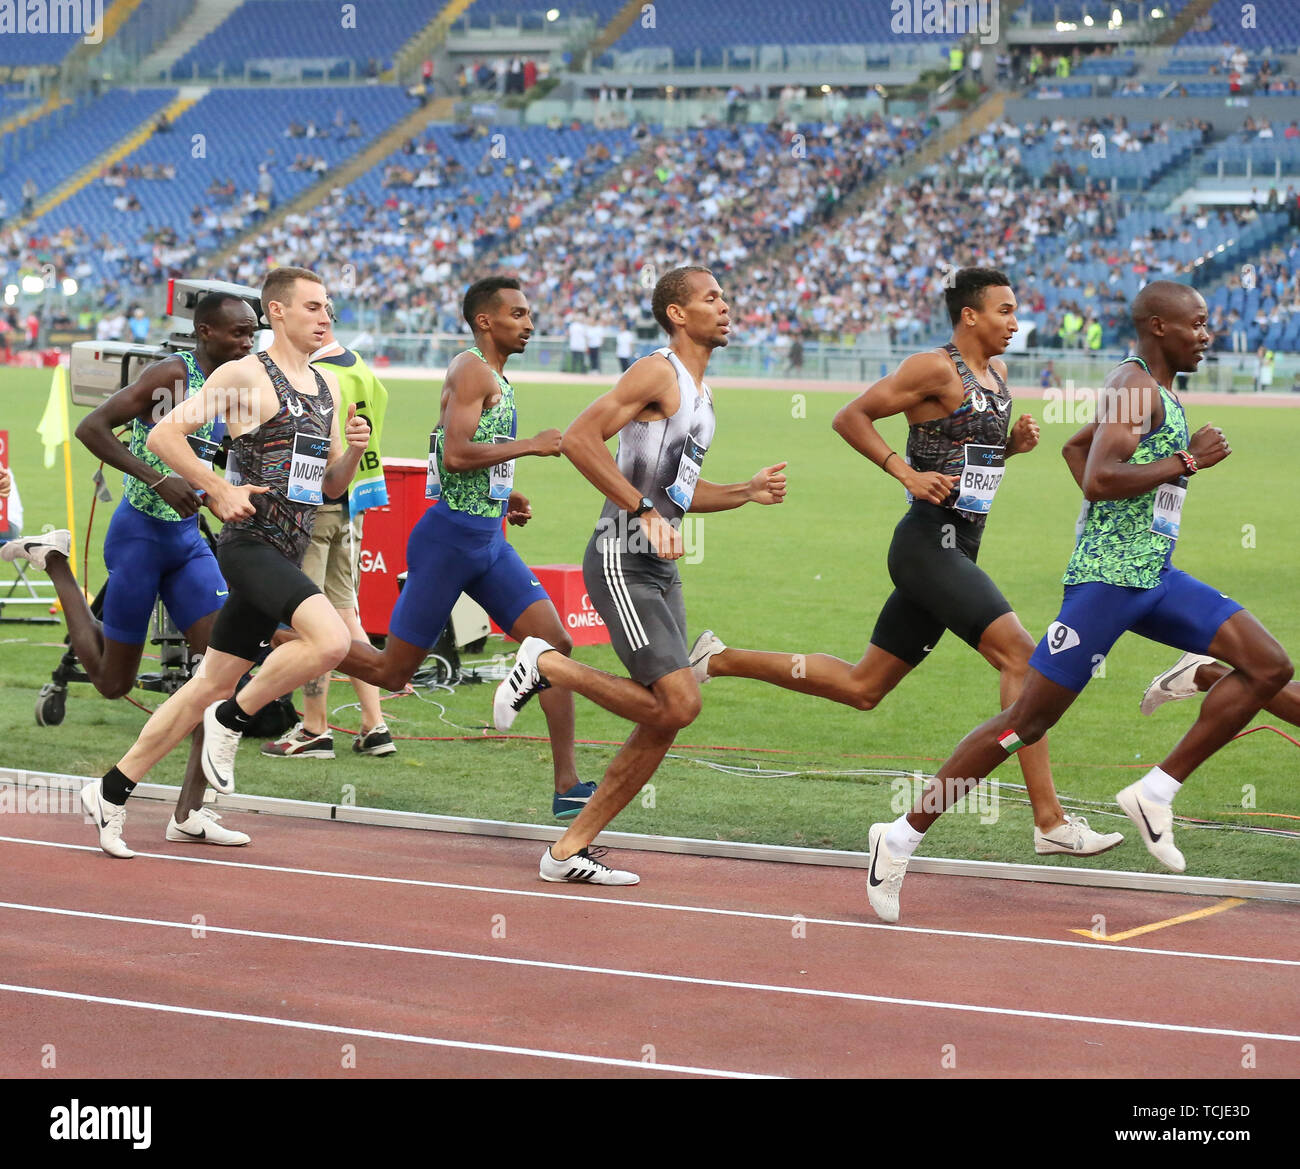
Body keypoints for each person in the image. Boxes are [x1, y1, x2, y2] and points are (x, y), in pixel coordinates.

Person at [865, 280, 1292, 922]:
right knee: (1024, 724)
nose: (1208, 335)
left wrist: (1130, 509)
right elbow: (1098, 475)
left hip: (1154, 575)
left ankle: (1155, 789)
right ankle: (899, 836)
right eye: (1197, 324)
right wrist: (1186, 461)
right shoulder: (1134, 385)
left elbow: (1073, 449)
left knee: (1269, 665)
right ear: (1158, 325)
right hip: (1107, 586)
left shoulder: (1159, 391)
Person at [690, 268, 1121, 861]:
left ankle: (719, 658)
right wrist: (906, 473)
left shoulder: (996, 375)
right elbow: (850, 417)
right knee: (1022, 655)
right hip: (926, 546)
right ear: (970, 316)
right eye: (1004, 310)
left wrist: (1009, 449)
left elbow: (969, 462)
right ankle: (1049, 821)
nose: (1015, 322)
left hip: (959, 546)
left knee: (863, 687)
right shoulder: (933, 367)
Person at [492, 266, 788, 885]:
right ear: (678, 313)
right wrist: (642, 512)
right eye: (712, 298)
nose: (726, 306)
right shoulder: (659, 371)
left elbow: (678, 490)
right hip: (622, 554)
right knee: (679, 702)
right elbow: (578, 438)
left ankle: (568, 850)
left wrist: (745, 491)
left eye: (726, 297)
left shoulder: (701, 396)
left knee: (665, 715)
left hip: (656, 565)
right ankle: (545, 666)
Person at [70, 266, 370, 858]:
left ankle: (111, 790)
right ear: (276, 313)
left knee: (206, 682)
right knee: (329, 642)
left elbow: (330, 487)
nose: (325, 316)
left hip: (290, 545)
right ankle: (232, 721)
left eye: (329, 306)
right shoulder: (244, 374)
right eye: (312, 306)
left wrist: (354, 453)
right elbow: (163, 438)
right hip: (249, 546)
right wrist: (215, 488)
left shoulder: (328, 387)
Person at [315, 277, 598, 819]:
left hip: (486, 539)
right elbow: (457, 454)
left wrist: (504, 491)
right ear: (485, 321)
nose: (530, 324)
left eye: (529, 314)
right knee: (394, 672)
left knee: (557, 647)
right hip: (447, 543)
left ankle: (568, 786)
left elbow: (462, 453)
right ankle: (287, 635)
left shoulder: (497, 377)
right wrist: (531, 446)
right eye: (517, 314)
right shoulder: (470, 369)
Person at [1, 293, 259, 851]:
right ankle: (54, 561)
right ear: (204, 332)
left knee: (219, 676)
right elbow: (92, 428)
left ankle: (189, 813)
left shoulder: (238, 385)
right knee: (114, 683)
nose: (248, 341)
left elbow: (217, 457)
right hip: (140, 535)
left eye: (253, 332)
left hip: (188, 544)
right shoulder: (171, 373)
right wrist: (157, 477)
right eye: (238, 332)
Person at [261, 313, 395, 759]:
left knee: (308, 620)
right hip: (350, 504)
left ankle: (315, 725)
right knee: (345, 614)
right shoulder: (359, 366)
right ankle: (375, 724)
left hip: (313, 504)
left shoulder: (313, 373)